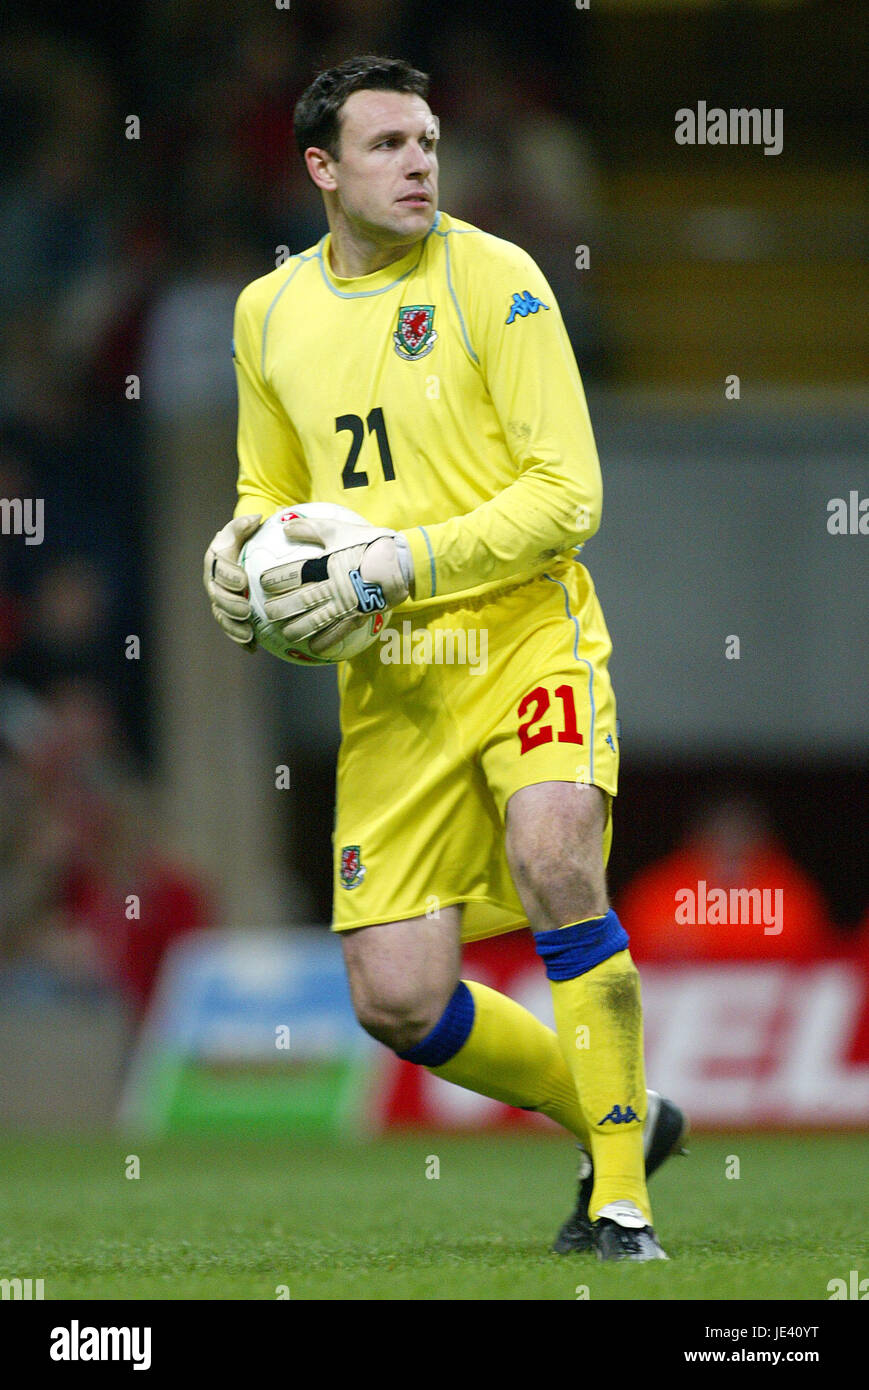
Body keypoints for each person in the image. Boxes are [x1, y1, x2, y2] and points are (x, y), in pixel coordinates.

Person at [204, 55, 685, 1260]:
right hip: (393, 683)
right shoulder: (267, 313)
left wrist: (399, 563)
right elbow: (272, 489)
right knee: (399, 999)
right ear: (320, 168)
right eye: (385, 146)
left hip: (526, 633)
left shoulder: (499, 281)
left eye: (426, 141)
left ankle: (619, 1200)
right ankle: (623, 1111)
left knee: (553, 855)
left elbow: (567, 495)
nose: (418, 162)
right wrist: (240, 558)